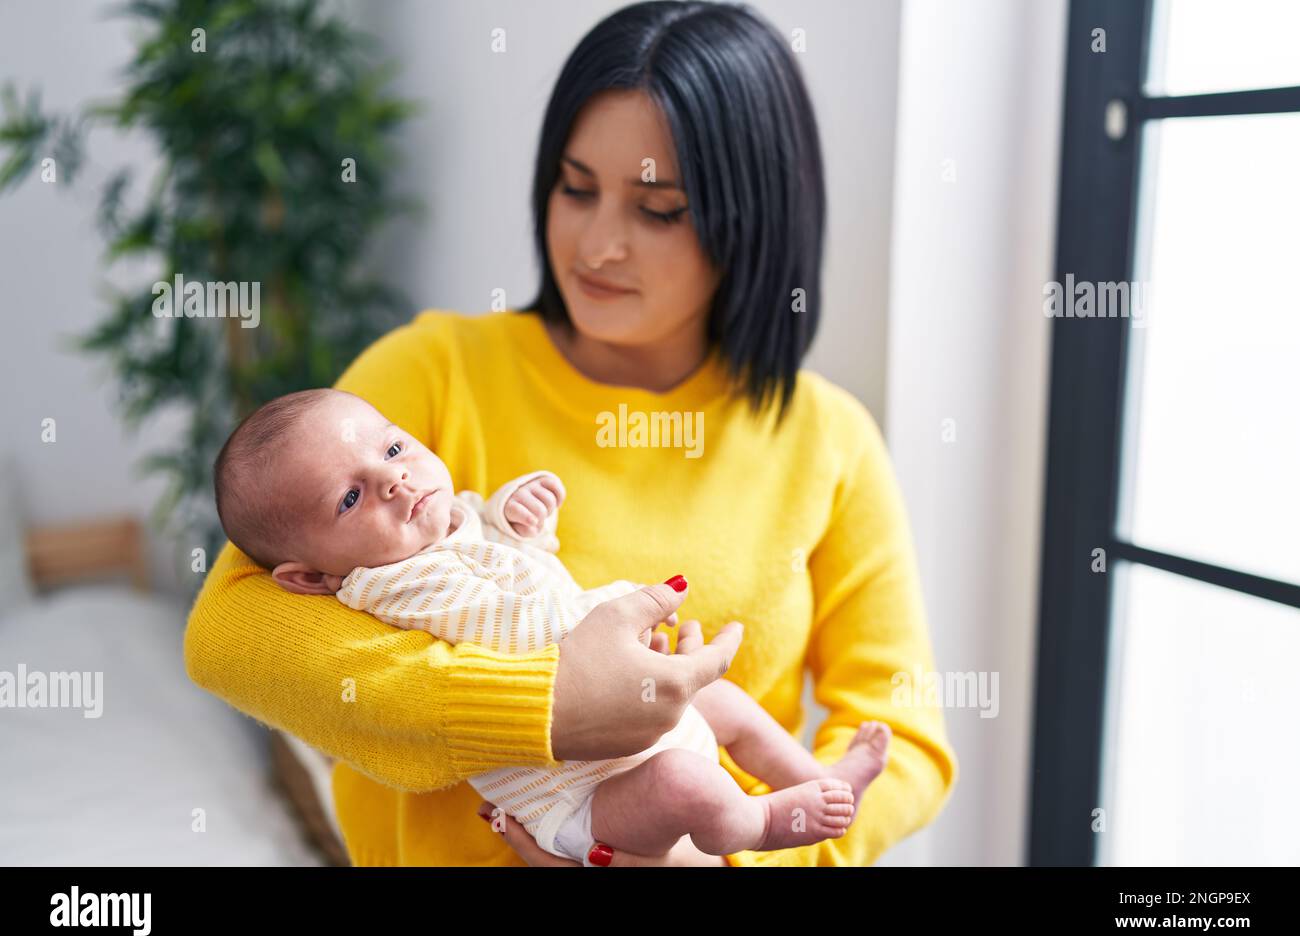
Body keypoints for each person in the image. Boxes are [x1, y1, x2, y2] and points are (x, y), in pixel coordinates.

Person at [184, 0, 958, 866]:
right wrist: (544, 707)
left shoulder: (828, 438)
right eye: (575, 187)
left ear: (754, 217)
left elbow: (907, 738)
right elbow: (228, 635)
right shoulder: (429, 374)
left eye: (657, 207)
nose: (596, 244)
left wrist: (731, 858)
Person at [209, 387, 894, 865]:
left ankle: (817, 781)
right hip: (577, 797)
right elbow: (513, 623)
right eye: (350, 497)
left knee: (727, 706)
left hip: (638, 730)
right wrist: (616, 613)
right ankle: (762, 821)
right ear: (309, 577)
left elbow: (507, 552)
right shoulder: (387, 585)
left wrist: (516, 517)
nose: (393, 482)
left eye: (393, 449)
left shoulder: (445, 523)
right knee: (685, 784)